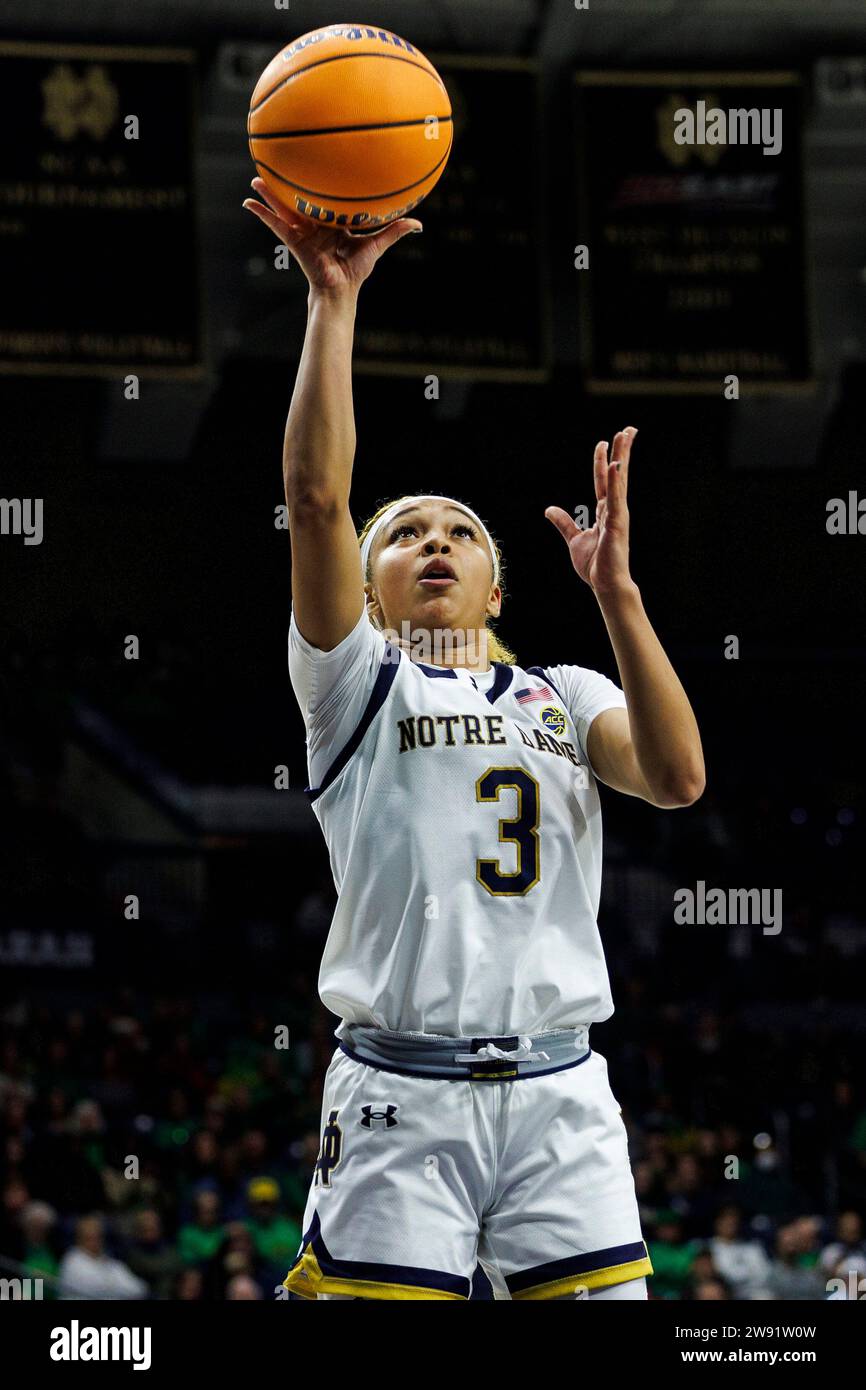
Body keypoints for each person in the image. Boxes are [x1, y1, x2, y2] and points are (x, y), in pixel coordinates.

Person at [243, 177, 705, 1302]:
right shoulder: (356, 682)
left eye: (459, 533)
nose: (434, 543)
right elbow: (313, 495)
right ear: (367, 581)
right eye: (404, 533)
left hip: (560, 1097)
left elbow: (677, 777)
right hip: (400, 1098)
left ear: (498, 584)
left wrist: (621, 596)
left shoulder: (567, 687)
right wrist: (332, 303)